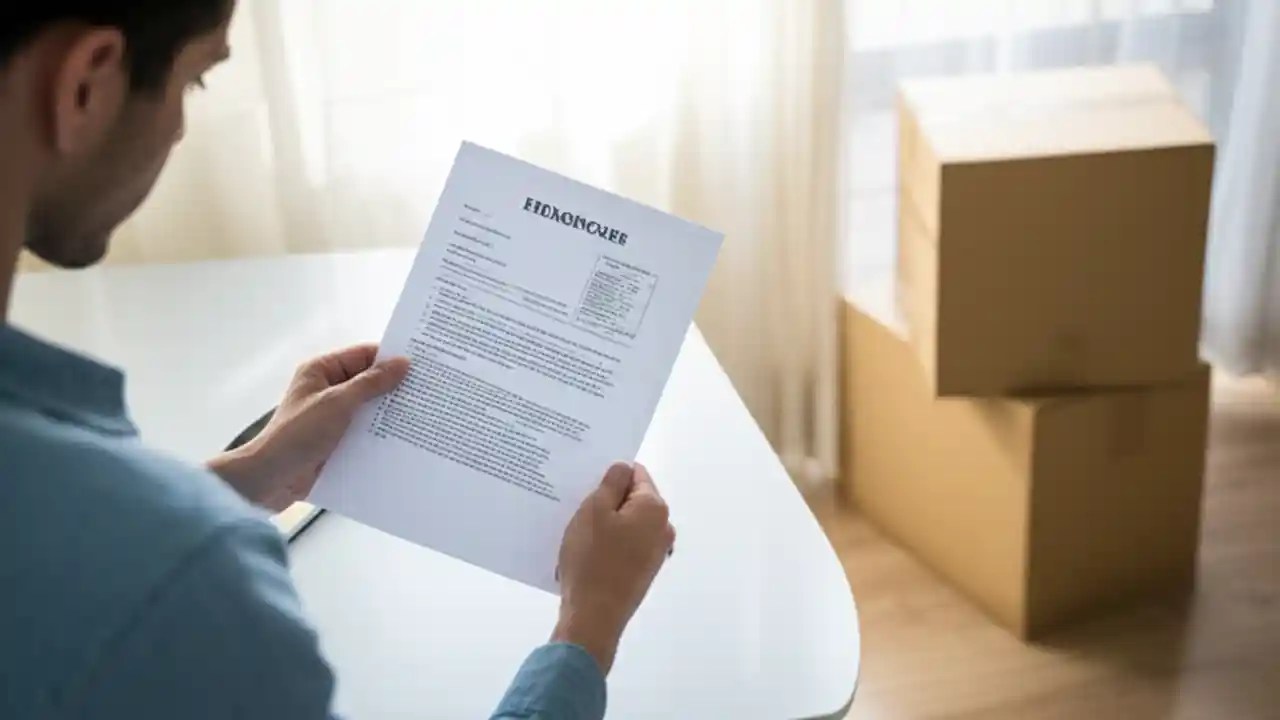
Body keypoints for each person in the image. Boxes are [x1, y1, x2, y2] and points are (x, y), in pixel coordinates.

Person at [0, 2, 675, 718]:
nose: (178, 128)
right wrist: (587, 628)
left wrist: (248, 477)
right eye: (193, 82)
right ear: (85, 85)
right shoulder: (194, 597)